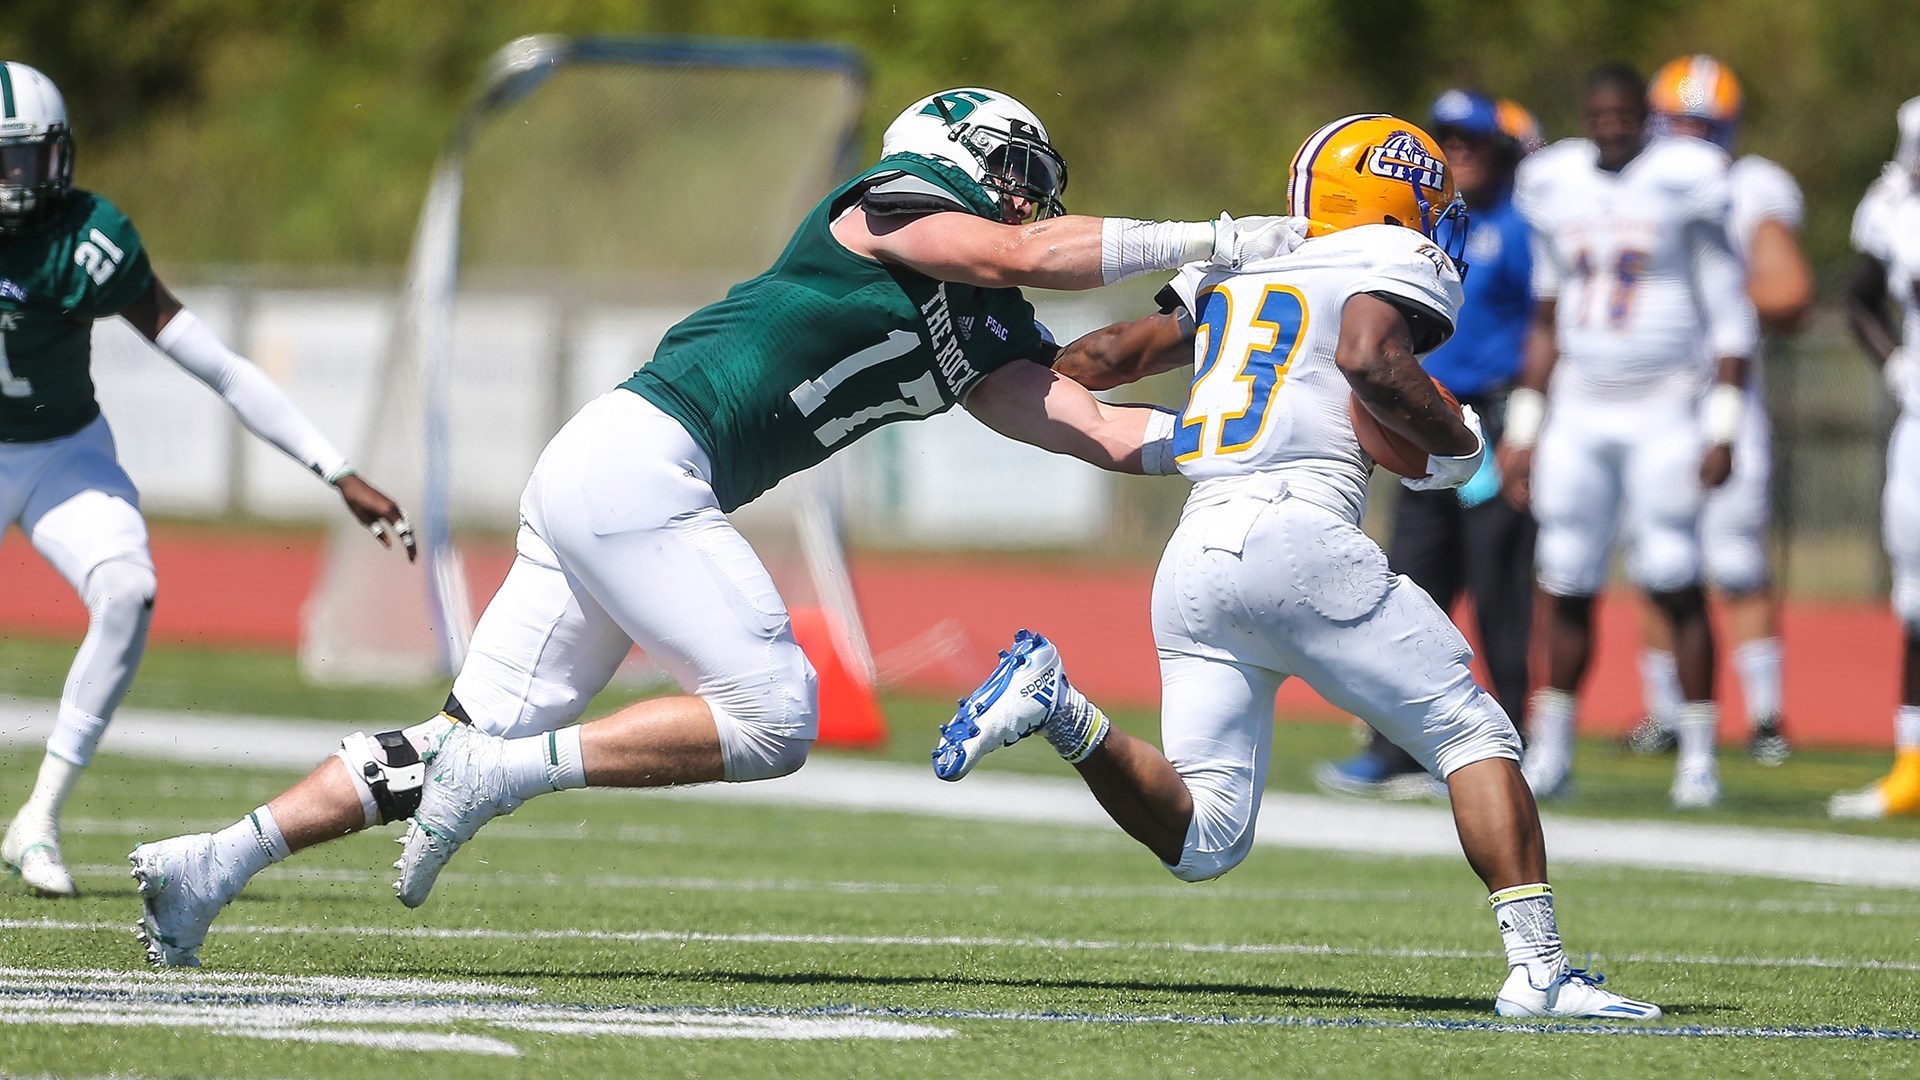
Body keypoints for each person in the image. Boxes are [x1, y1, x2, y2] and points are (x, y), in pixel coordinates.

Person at [127, 86, 1307, 966]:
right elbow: (1026, 252)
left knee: (452, 738)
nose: (1028, 195)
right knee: (777, 715)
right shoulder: (893, 204)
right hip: (647, 465)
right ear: (950, 152)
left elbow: (1094, 428)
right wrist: (1221, 238)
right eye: (1012, 170)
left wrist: (1237, 446)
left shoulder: (983, 329)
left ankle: (213, 860)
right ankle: (510, 775)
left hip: (611, 476)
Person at [935, 114, 1662, 1020]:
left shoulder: (1237, 263)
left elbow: (1105, 357)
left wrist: (992, 358)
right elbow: (1367, 356)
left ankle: (1062, 709)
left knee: (1207, 837)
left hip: (1197, 548)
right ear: (1397, 198)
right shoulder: (1393, 258)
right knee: (1474, 734)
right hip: (1301, 530)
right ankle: (1540, 971)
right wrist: (1460, 444)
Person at [0, 61, 416, 898]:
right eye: (4, 162)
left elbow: (218, 367)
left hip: (60, 449)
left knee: (128, 591)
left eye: (29, 160)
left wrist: (335, 469)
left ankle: (36, 818)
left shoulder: (90, 236)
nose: (19, 183)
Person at [1501, 63, 1757, 810]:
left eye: (1625, 114)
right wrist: (1526, 424)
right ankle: (1553, 752)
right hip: (1581, 406)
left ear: (1647, 116)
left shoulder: (1684, 179)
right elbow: (1547, 318)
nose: (1611, 126)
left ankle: (1700, 756)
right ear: (1586, 114)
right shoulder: (1558, 185)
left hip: (1665, 406)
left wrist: (1726, 422)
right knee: (1566, 577)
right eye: (1599, 114)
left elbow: (1730, 314)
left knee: (1674, 575)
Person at [1315, 90, 1542, 800]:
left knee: (1500, 587)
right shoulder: (1408, 234)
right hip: (1418, 420)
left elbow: (1549, 326)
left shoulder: (1525, 229)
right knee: (1409, 582)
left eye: (1473, 138)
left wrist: (1528, 426)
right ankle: (1394, 748)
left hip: (1490, 423)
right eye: (1449, 139)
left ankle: (1511, 749)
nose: (1460, 149)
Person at [1627, 56, 1814, 767]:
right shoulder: (1626, 187)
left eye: (1702, 126)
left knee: (1735, 559)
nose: (1689, 140)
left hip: (1722, 395)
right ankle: (1664, 713)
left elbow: (1790, 291)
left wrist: (1708, 299)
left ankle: (1765, 717)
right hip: (1647, 397)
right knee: (1656, 554)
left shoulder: (1751, 186)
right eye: (1679, 123)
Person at [1832, 95, 1920, 820]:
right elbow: (1858, 294)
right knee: (1917, 595)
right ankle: (1912, 763)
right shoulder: (1895, 206)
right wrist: (1895, 365)